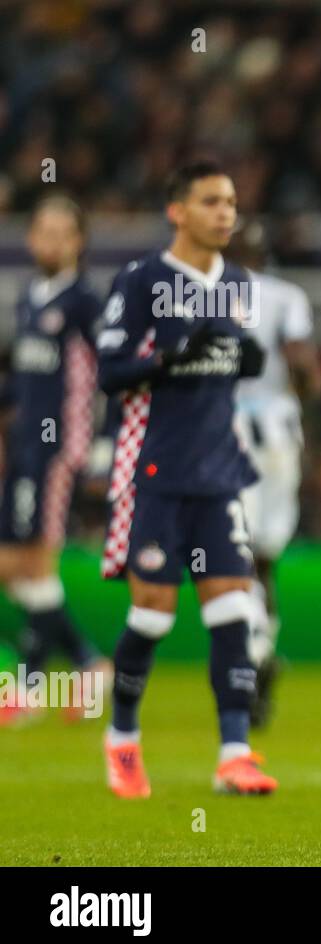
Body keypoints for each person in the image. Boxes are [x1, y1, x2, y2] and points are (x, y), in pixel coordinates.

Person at [97, 160, 274, 798]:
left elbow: (231, 365)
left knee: (233, 608)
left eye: (231, 202)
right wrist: (166, 358)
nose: (226, 213)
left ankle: (234, 753)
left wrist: (244, 357)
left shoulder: (238, 281)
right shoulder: (142, 279)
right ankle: (121, 739)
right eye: (211, 202)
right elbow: (110, 372)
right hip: (153, 470)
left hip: (218, 470)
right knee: (153, 614)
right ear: (178, 210)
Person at [0, 197, 109, 724]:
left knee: (36, 562)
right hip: (24, 447)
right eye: (43, 230)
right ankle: (88, 662)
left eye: (63, 232)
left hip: (60, 448)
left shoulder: (85, 302)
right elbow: (24, 378)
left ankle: (27, 687)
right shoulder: (27, 299)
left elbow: (114, 371)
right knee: (11, 566)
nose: (51, 240)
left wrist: (105, 442)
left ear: (79, 242)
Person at [230, 221, 320, 729]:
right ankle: (263, 647)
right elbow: (303, 366)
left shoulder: (209, 295)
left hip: (226, 433)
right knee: (267, 556)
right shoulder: (287, 297)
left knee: (235, 552)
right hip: (279, 433)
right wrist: (299, 398)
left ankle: (249, 650)